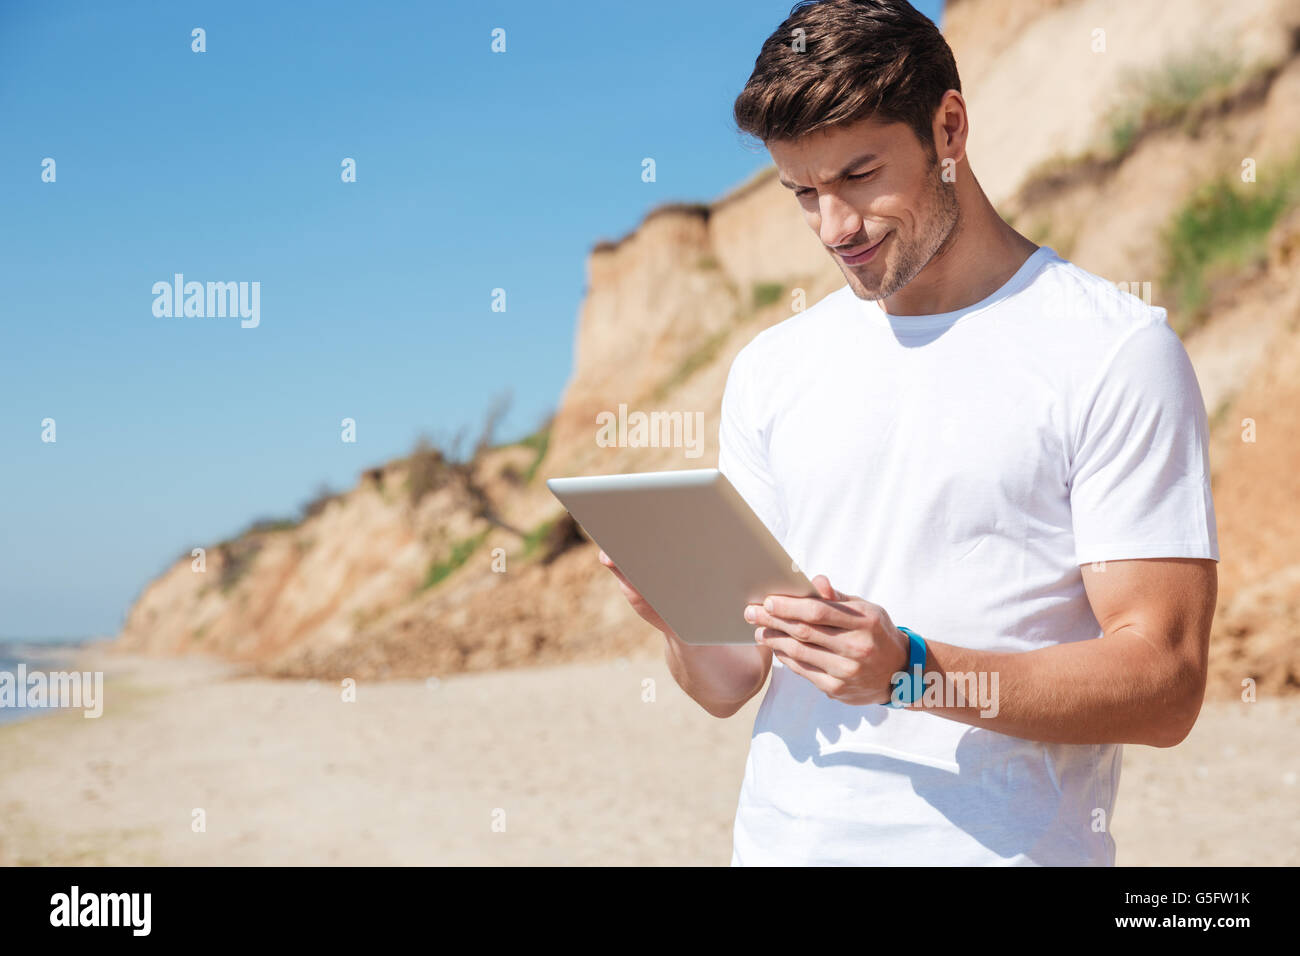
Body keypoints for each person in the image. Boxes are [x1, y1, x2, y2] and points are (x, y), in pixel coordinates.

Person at [599, 0, 1219, 865]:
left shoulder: (1111, 352)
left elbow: (1164, 685)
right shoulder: (773, 369)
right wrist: (679, 624)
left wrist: (911, 671)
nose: (834, 229)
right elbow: (730, 683)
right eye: (803, 194)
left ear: (950, 127)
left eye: (859, 175)